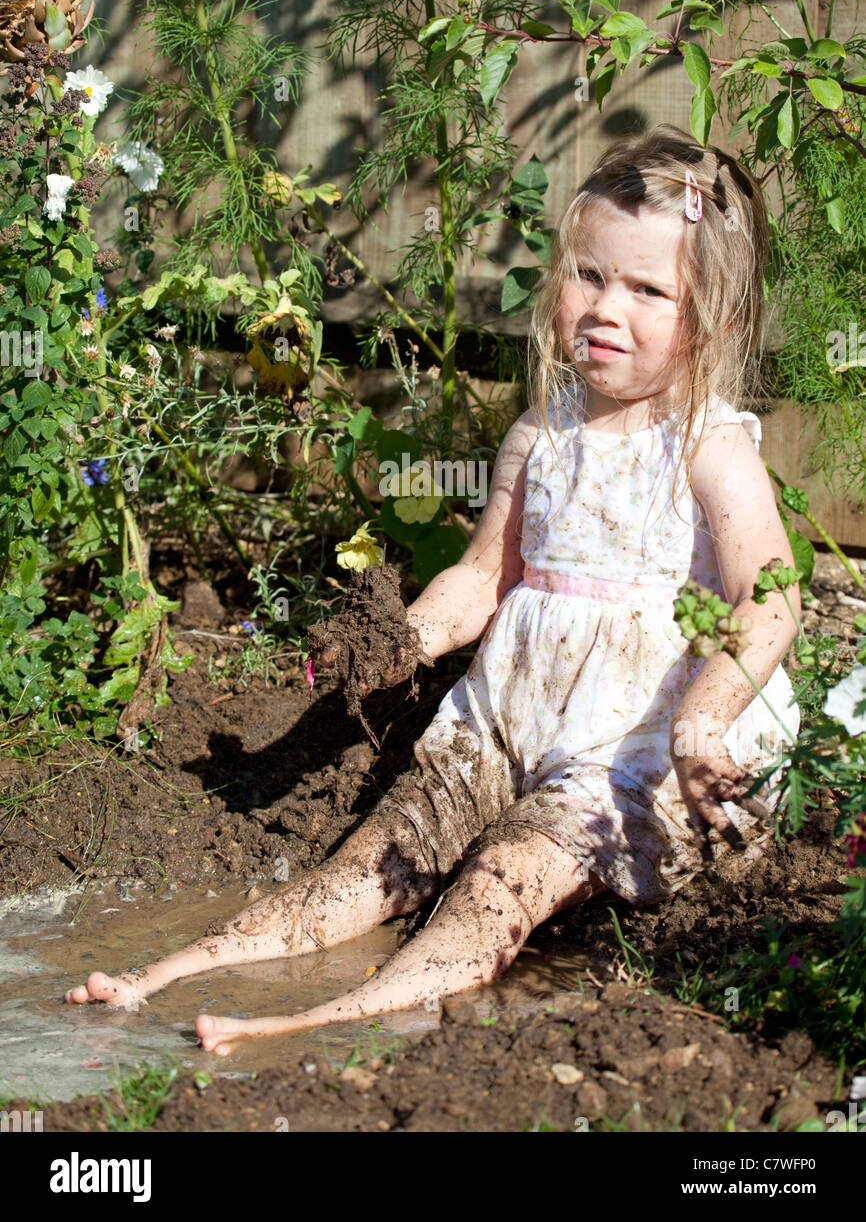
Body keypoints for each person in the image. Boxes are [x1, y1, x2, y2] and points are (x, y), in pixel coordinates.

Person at [65, 125, 801, 1056]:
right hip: (512, 721)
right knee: (377, 857)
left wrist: (703, 722)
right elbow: (485, 576)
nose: (605, 308)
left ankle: (310, 1021)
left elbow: (773, 596)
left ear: (719, 321)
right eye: (588, 275)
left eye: (648, 291)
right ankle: (163, 972)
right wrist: (400, 641)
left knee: (500, 878)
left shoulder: (711, 446)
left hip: (637, 750)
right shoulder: (541, 433)